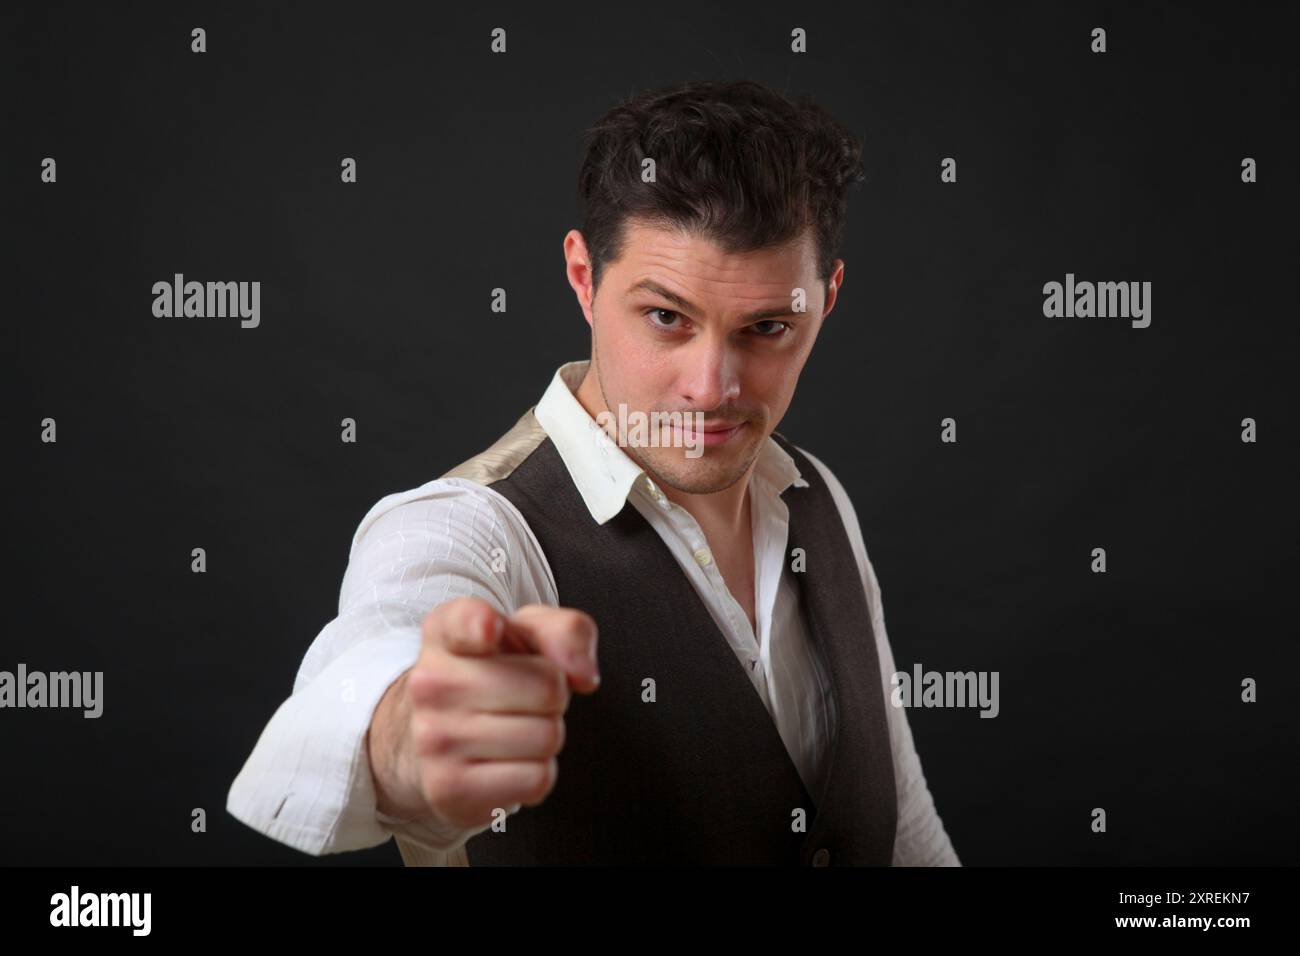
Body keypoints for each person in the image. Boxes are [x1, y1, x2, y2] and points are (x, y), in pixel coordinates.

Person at [227, 78, 960, 866]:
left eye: (769, 327)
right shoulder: (470, 526)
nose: (712, 386)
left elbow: (906, 832)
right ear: (584, 279)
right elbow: (381, 654)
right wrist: (409, 735)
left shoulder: (822, 501)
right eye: (666, 317)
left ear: (827, 299)